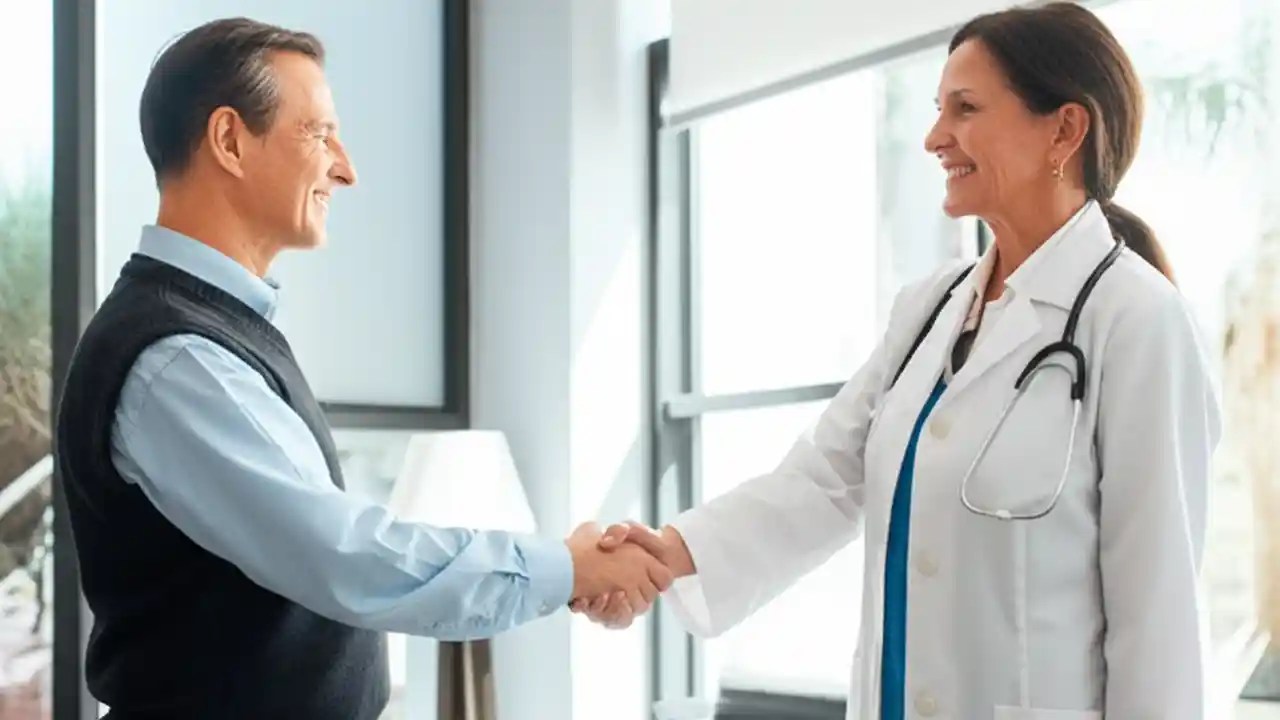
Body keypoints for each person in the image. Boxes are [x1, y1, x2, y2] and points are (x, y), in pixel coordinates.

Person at [575, 3, 1221, 719]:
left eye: (965, 109)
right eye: (938, 109)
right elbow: (821, 480)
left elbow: (1159, 618)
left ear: (1064, 129)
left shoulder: (1137, 320)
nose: (934, 137)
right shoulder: (930, 309)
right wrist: (664, 554)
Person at [54, 18, 670, 720]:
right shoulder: (176, 359)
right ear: (229, 141)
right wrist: (567, 568)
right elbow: (343, 556)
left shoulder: (207, 336)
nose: (345, 168)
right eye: (318, 133)